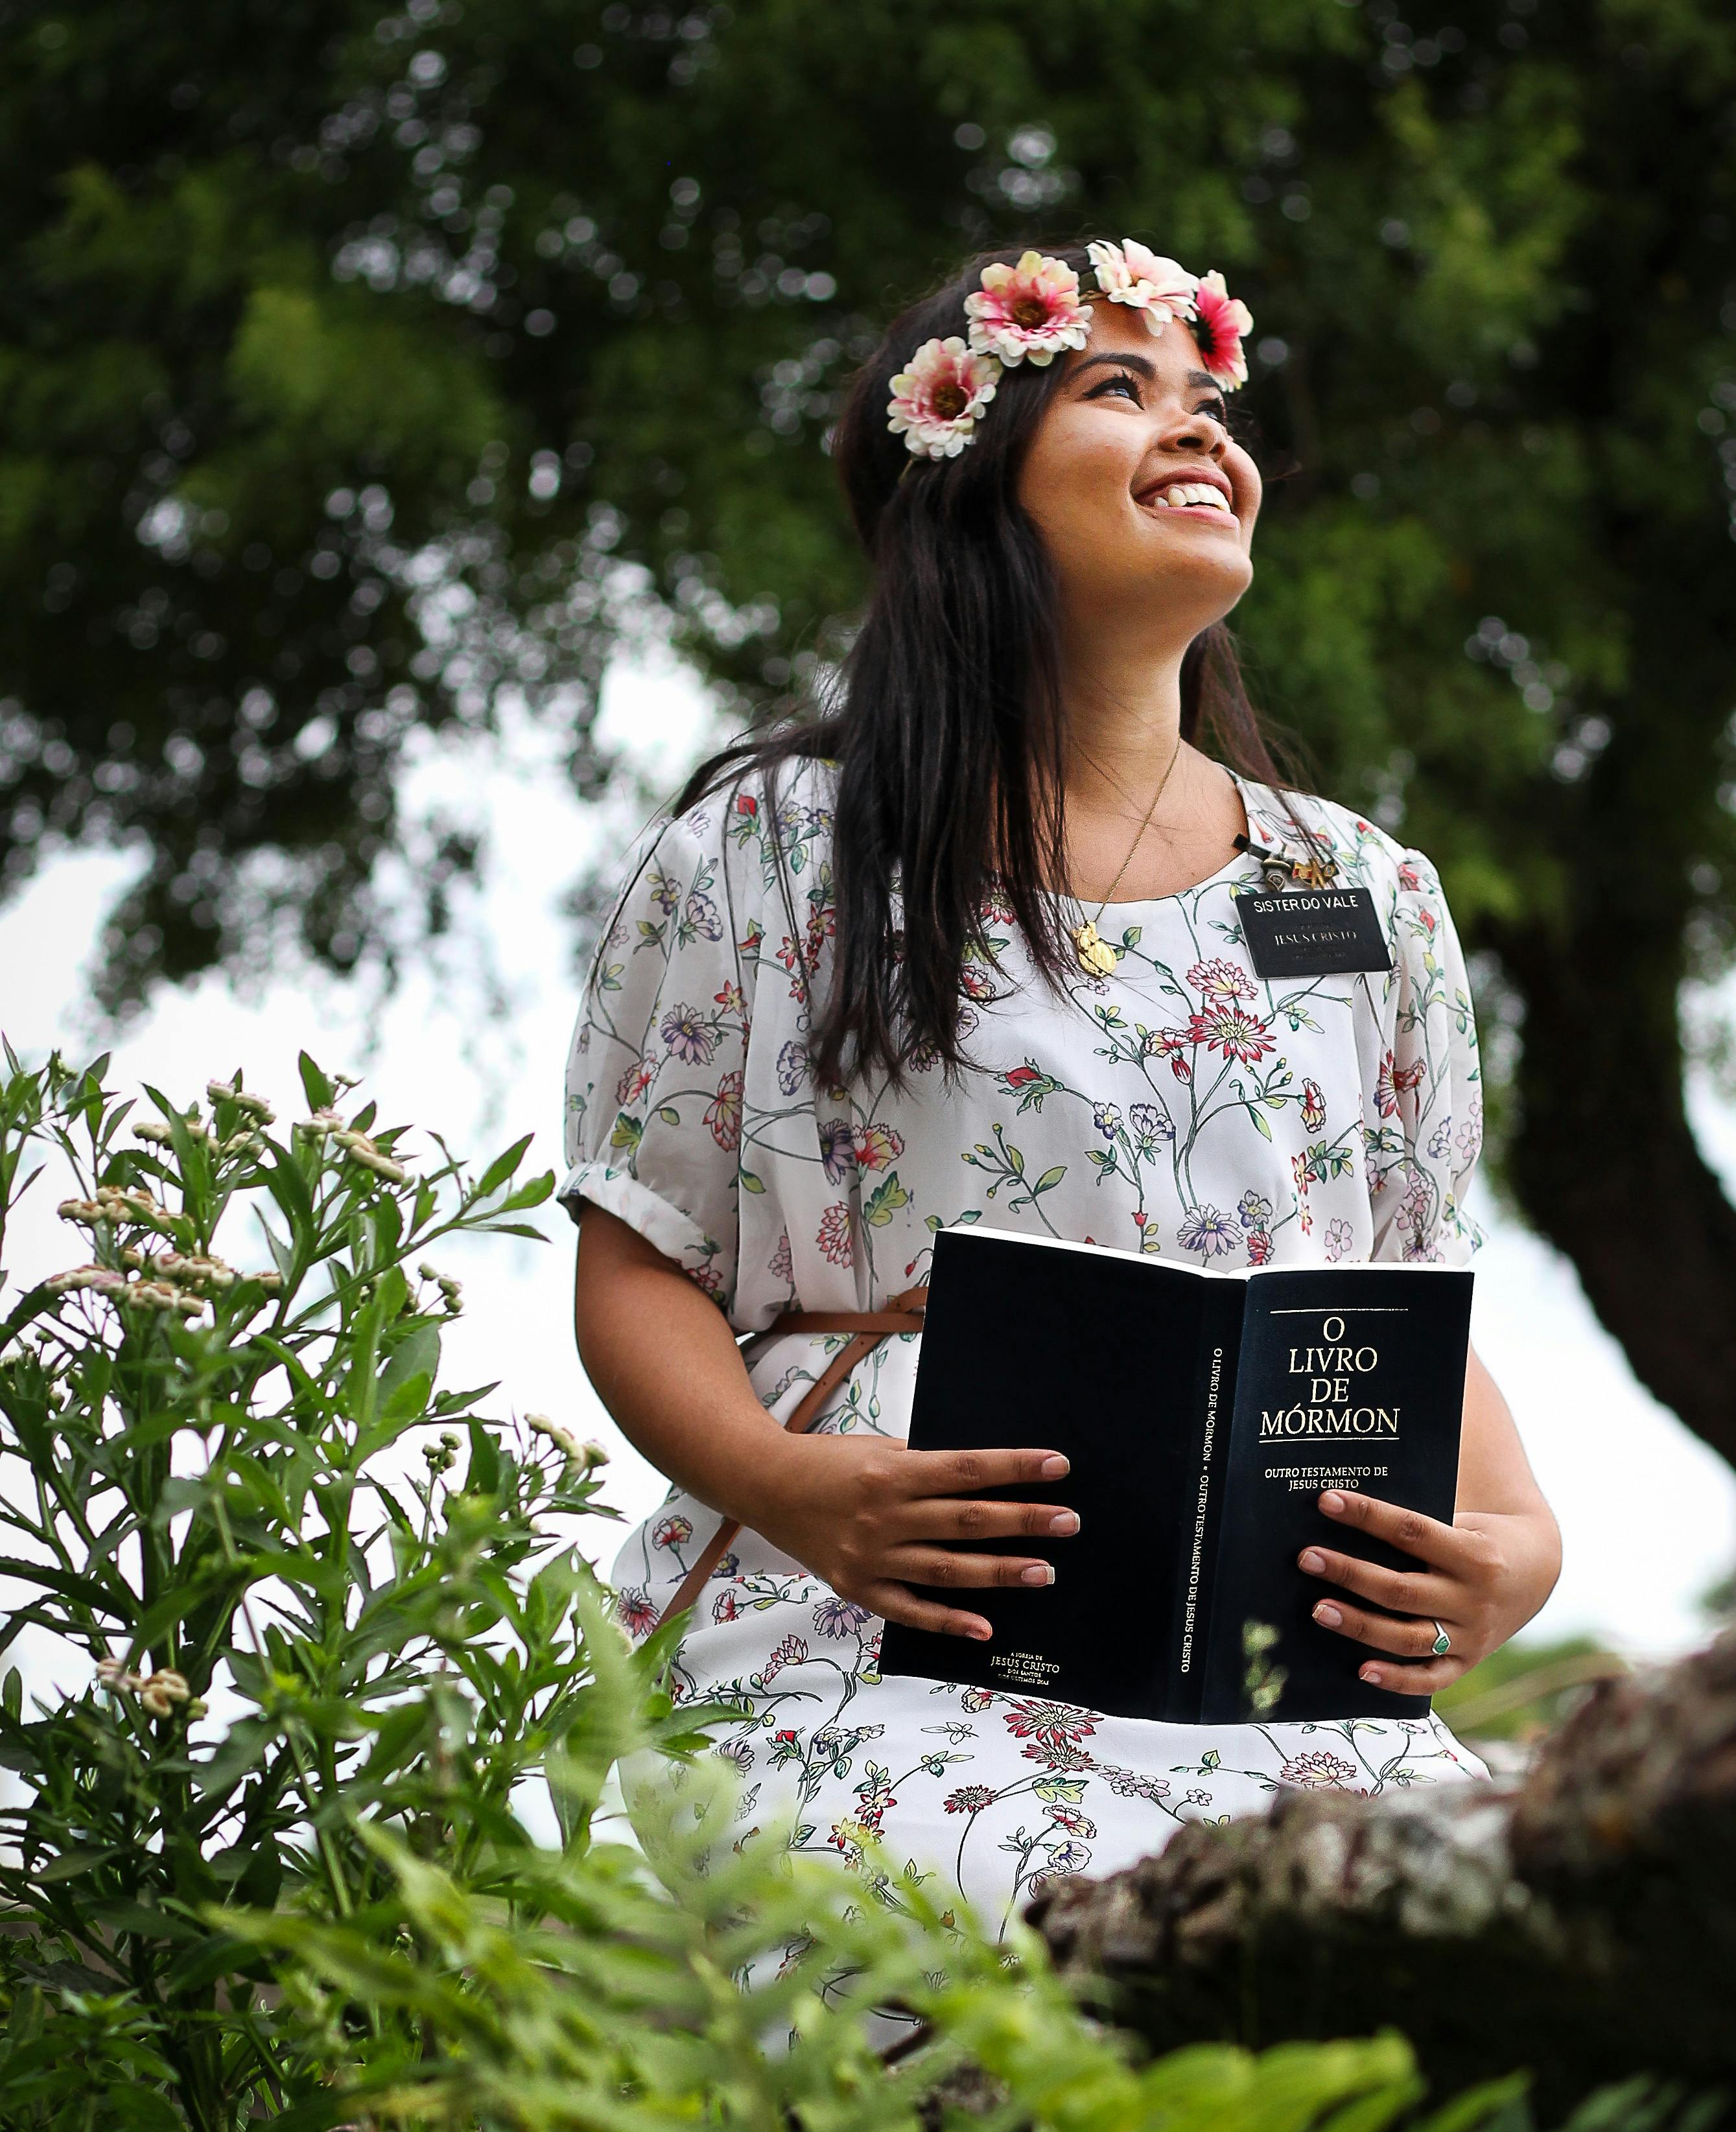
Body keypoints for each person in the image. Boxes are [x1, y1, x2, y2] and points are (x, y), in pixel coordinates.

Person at [563, 238, 1561, 1930]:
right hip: (870, 1611)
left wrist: (1518, 1546)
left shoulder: (1364, 892)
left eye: (1211, 401)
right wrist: (791, 1489)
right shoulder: (767, 845)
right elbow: (639, 1260)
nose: (1203, 435)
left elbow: (1401, 1292)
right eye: (1121, 389)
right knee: (971, 1941)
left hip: (1268, 1657)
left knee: (1472, 1959)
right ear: (966, 466)